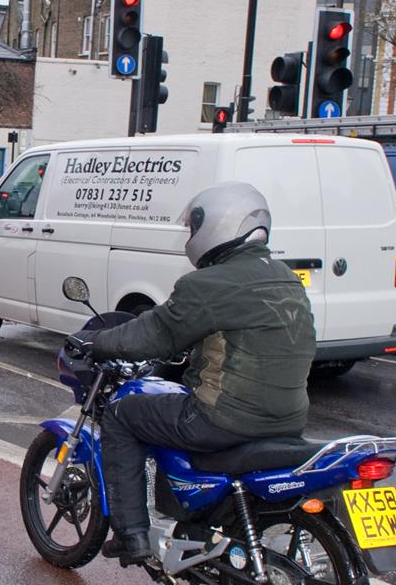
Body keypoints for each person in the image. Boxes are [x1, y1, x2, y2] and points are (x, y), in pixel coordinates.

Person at [81, 181, 317, 565]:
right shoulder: (284, 277)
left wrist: (99, 343)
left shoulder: (209, 283)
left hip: (227, 420)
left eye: (194, 227)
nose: (191, 236)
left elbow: (153, 333)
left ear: (217, 225)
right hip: (289, 419)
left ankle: (132, 535)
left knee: (122, 415)